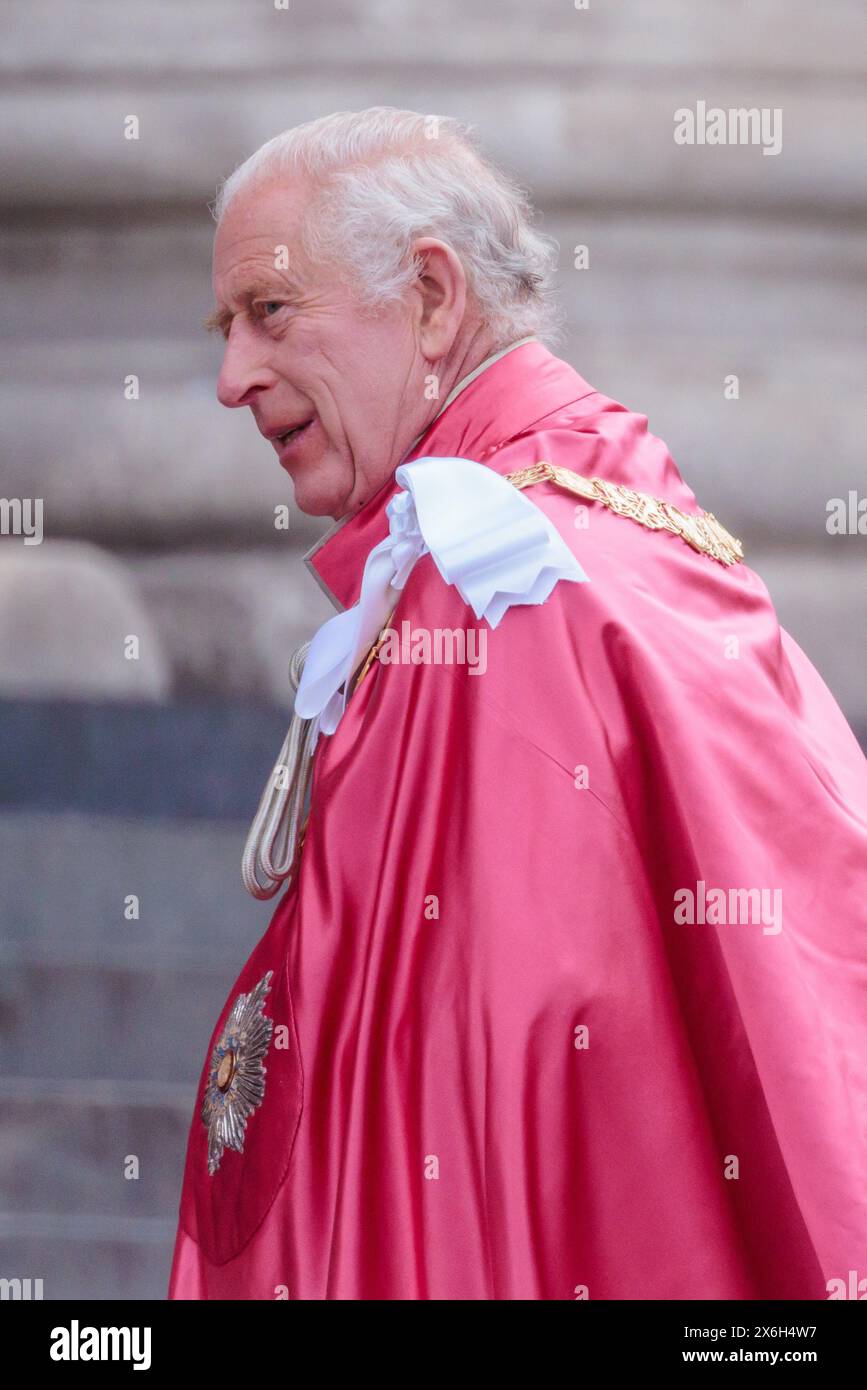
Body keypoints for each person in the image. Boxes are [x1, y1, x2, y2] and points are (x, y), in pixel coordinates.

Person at [168, 107, 867, 1300]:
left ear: (433, 298)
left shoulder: (499, 585)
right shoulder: (582, 518)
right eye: (225, 328)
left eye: (270, 313)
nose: (232, 377)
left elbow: (481, 1107)